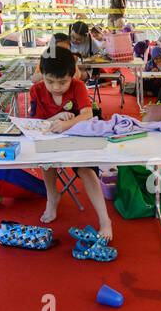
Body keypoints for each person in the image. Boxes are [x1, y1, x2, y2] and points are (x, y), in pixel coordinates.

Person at [30, 47, 114, 240]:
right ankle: (52, 198)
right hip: (49, 140)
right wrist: (57, 117)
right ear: (41, 75)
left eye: (62, 82)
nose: (56, 87)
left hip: (78, 138)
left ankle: (105, 221)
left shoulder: (78, 86)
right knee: (46, 163)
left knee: (87, 172)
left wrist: (67, 123)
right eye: (50, 81)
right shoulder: (36, 90)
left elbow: (88, 113)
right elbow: (35, 123)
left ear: (72, 75)